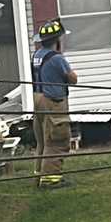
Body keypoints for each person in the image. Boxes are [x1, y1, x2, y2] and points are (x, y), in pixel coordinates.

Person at [31, 19, 78, 189]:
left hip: (38, 99)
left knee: (43, 141)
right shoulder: (58, 59)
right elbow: (73, 79)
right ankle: (51, 180)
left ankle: (39, 176)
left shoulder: (37, 55)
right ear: (57, 41)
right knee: (57, 140)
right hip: (53, 102)